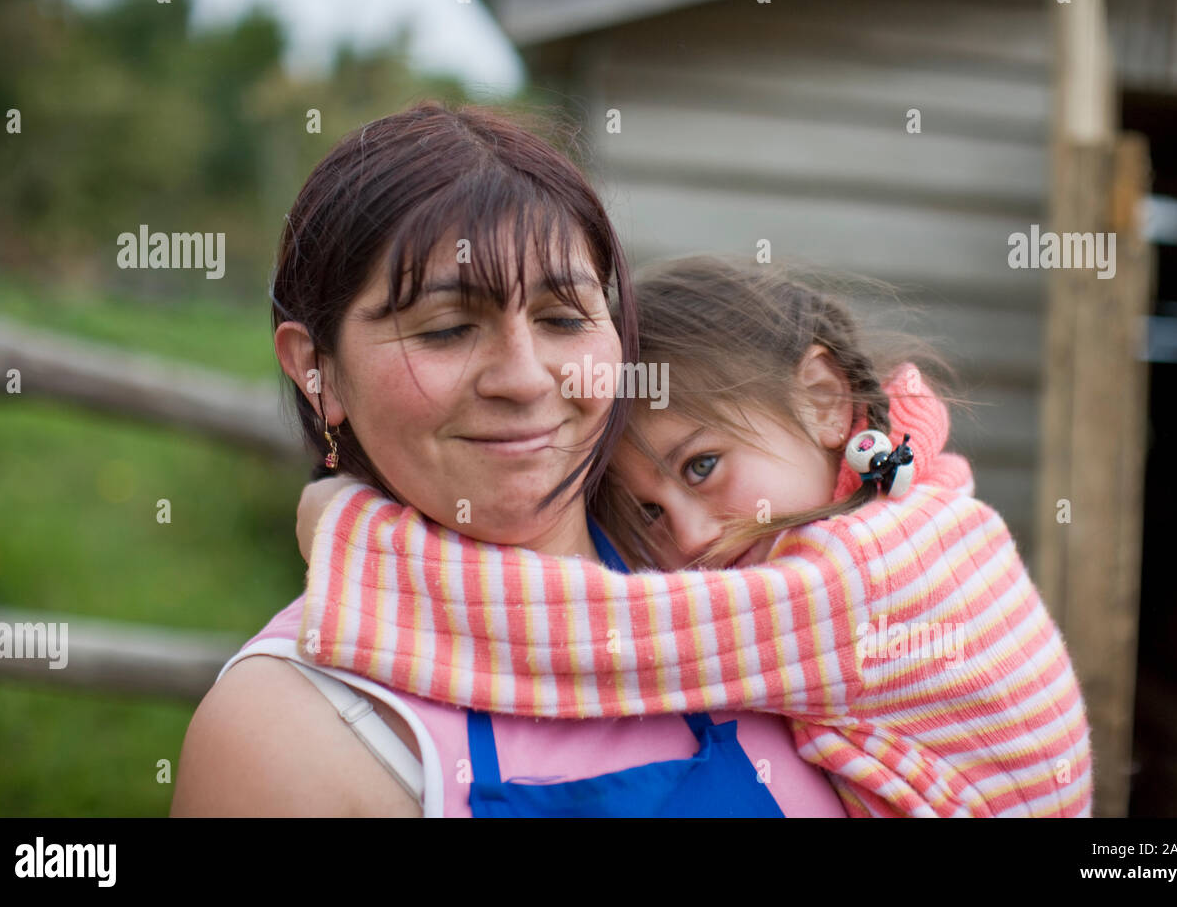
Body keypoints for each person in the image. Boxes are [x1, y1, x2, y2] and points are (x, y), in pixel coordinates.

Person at [169, 105, 848, 817]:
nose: (524, 378)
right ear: (320, 373)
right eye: (448, 328)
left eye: (562, 319)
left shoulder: (738, 575)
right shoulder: (294, 730)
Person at [295, 257, 1094, 817]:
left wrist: (352, 534)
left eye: (703, 466)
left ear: (821, 399)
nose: (690, 536)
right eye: (647, 513)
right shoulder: (921, 507)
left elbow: (597, 641)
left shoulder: (856, 583)